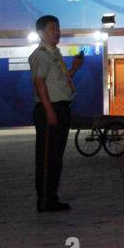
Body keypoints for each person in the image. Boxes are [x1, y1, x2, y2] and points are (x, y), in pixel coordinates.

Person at [30, 14, 81, 212]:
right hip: (49, 109)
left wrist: (74, 69)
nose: (57, 32)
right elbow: (39, 83)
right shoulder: (41, 54)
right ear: (41, 32)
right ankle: (44, 200)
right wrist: (50, 111)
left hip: (60, 108)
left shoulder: (55, 53)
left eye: (58, 28)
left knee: (56, 157)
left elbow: (60, 81)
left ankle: (51, 197)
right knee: (47, 157)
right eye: (52, 29)